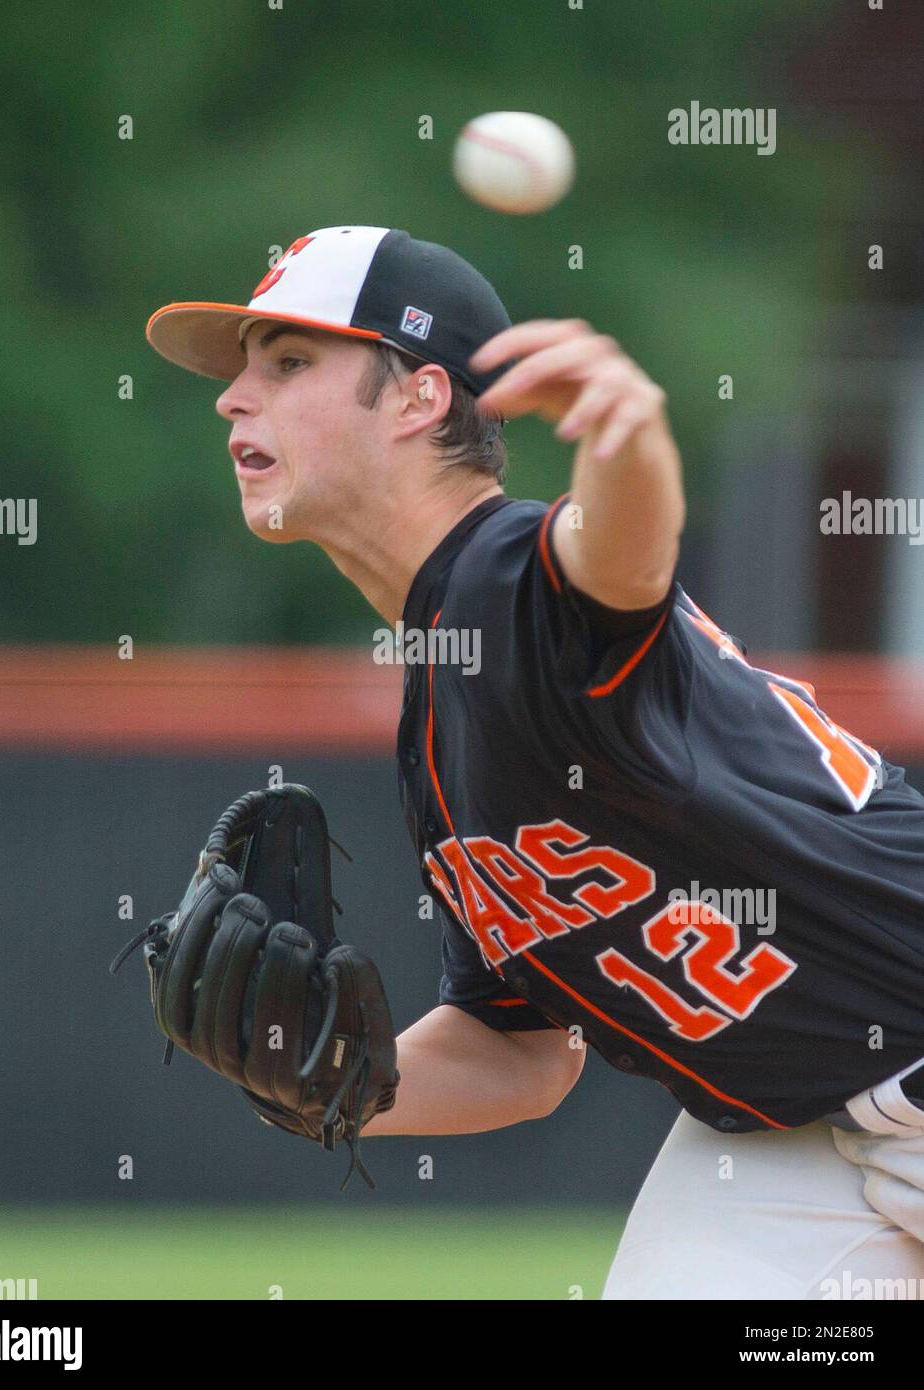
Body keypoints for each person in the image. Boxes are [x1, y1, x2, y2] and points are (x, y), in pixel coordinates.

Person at [147, 225, 924, 1299]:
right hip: (788, 1137)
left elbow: (622, 551)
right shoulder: (441, 718)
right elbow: (525, 1048)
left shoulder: (509, 581)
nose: (235, 396)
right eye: (241, 370)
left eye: (286, 362)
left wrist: (629, 433)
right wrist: (340, 1073)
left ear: (421, 397)